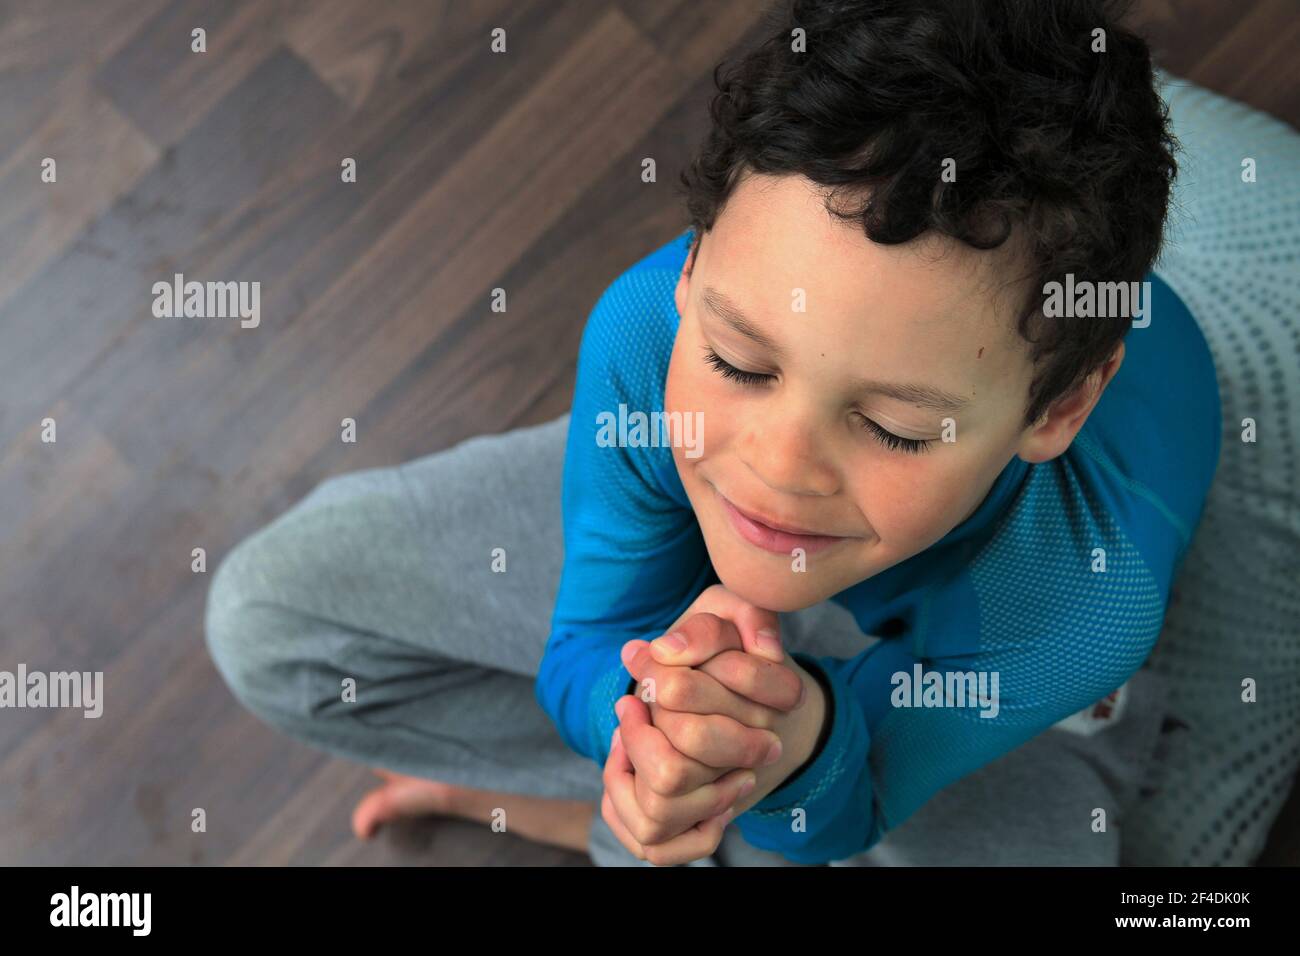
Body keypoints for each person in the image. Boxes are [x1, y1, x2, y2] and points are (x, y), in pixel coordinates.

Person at [205, 0, 1246, 866]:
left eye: (891, 425)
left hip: (983, 657)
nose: (772, 465)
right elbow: (586, 640)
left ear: (1055, 410)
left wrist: (793, 756)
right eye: (741, 361)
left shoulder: (1084, 595)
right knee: (270, 617)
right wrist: (661, 720)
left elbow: (867, 794)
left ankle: (618, 826)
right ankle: (651, 819)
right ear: (694, 266)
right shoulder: (642, 328)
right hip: (817, 572)